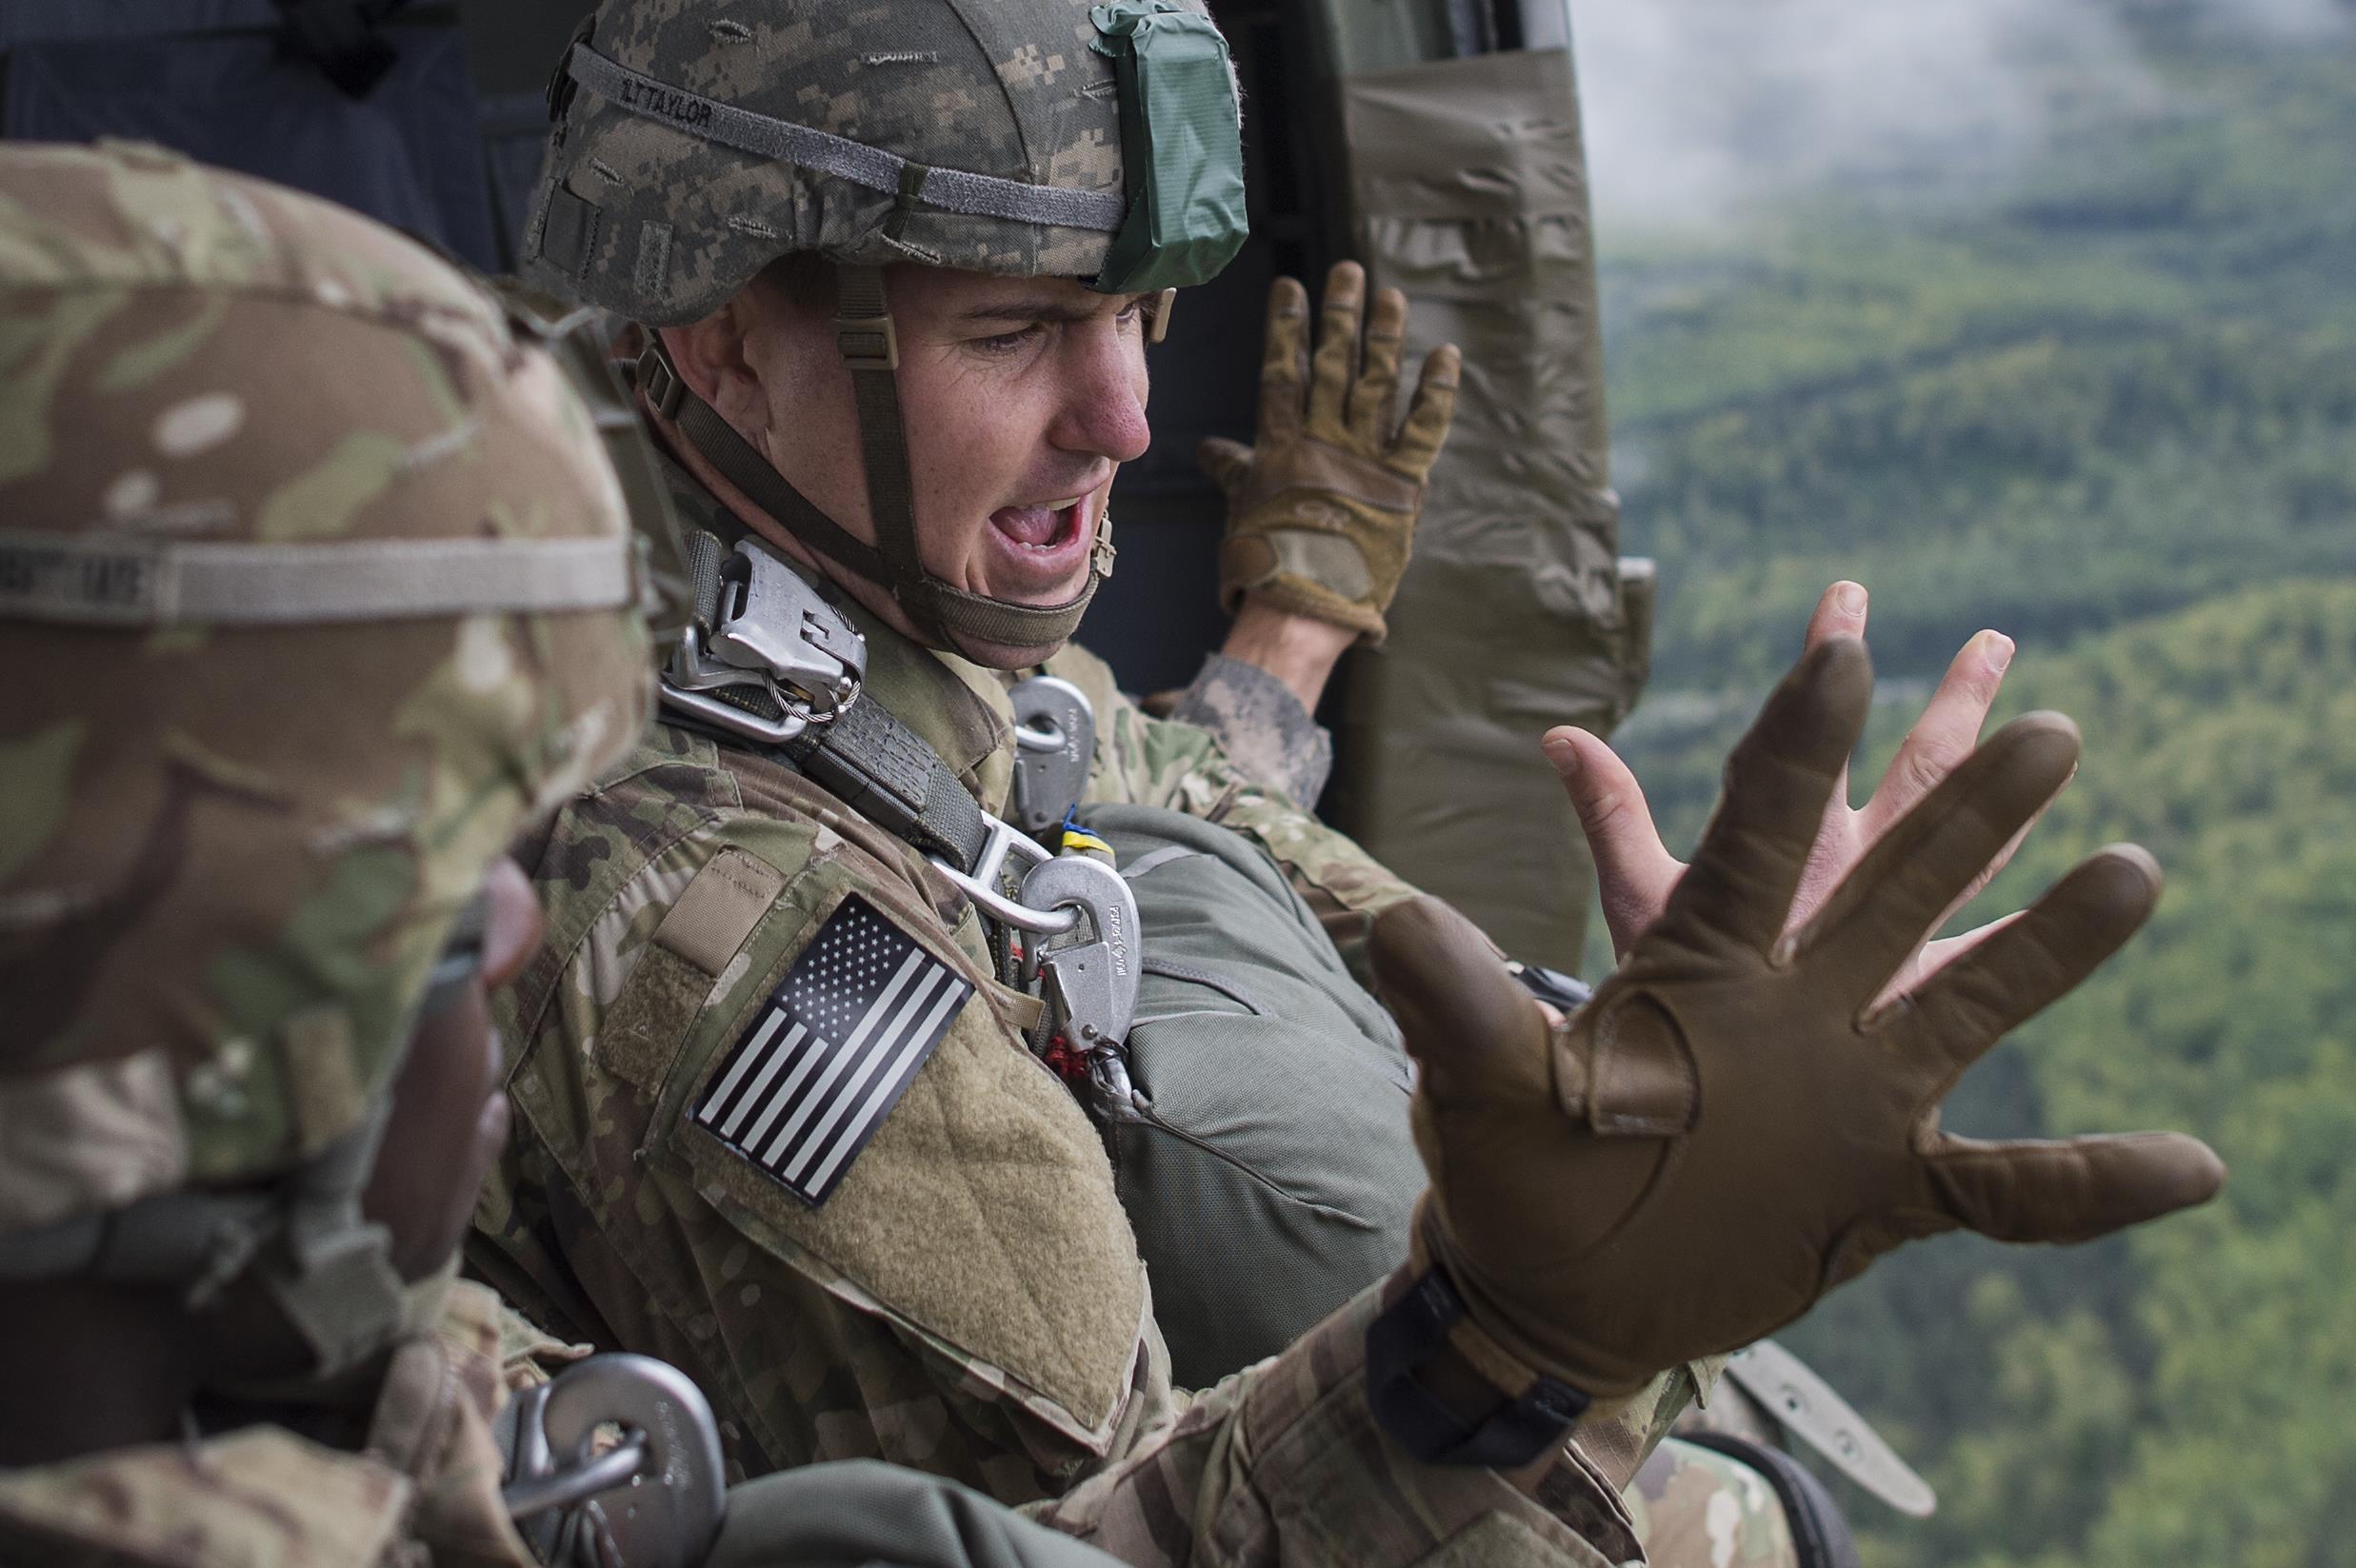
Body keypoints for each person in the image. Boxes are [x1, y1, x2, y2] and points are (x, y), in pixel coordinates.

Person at [468, 7, 2224, 1568]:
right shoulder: (749, 954)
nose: (1127, 415)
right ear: (718, 343)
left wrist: (1291, 632)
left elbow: (1096, 791)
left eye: (1142, 315)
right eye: (1013, 333)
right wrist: (1558, 1329)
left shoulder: (858, 669)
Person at [0, 138, 1146, 1568]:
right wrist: (1470, 1360)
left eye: (1138, 319)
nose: (510, 924)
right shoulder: (720, 914)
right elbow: (1110, 1490)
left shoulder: (371, 1395)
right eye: (1010, 330)